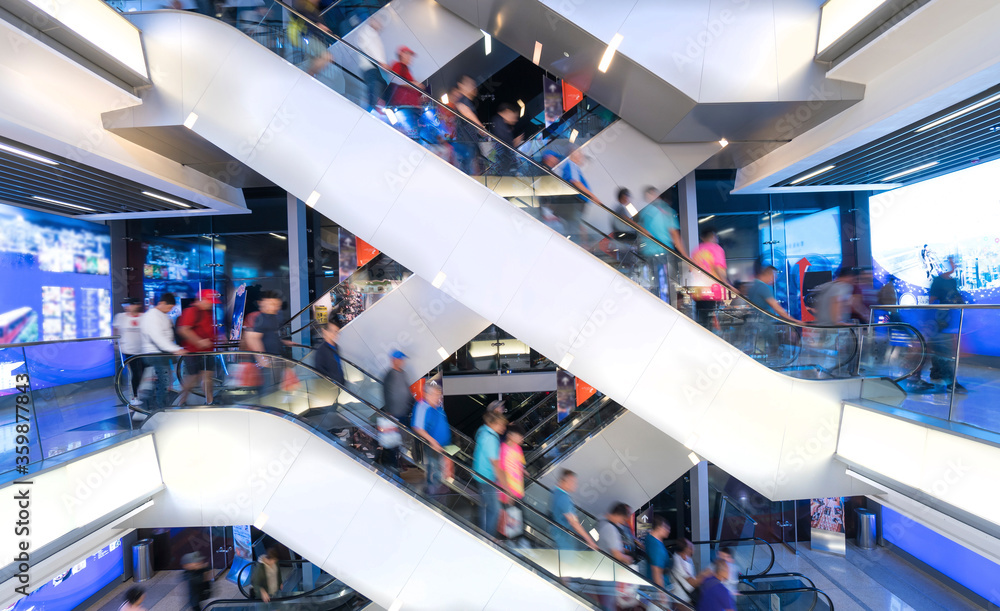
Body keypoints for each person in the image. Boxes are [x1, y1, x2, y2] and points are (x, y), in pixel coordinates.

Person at [140, 293, 186, 409]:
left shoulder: (162, 315)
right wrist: (175, 349)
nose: (170, 310)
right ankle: (158, 408)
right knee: (163, 383)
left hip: (162, 354)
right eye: (169, 307)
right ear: (162, 303)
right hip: (155, 354)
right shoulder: (152, 316)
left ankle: (160, 407)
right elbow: (157, 337)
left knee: (163, 382)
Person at [928, 256, 967, 393]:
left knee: (942, 348)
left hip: (949, 319)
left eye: (953, 263)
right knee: (943, 349)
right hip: (940, 319)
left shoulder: (953, 282)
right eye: (950, 263)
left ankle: (938, 373)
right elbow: (932, 300)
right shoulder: (938, 281)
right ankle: (951, 382)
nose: (953, 265)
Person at [176, 289, 218, 406]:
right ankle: (181, 401)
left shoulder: (208, 311)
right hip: (194, 352)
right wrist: (199, 341)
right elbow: (183, 329)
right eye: (209, 301)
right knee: (192, 378)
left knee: (207, 377)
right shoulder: (191, 311)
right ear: (201, 300)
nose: (211, 304)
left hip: (208, 352)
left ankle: (210, 401)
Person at [411, 381, 450, 496]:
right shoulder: (423, 406)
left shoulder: (437, 408)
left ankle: (436, 490)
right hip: (433, 446)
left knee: (439, 469)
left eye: (439, 394)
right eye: (435, 394)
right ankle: (432, 494)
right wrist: (433, 442)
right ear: (427, 394)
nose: (438, 397)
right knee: (433, 469)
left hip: (442, 446)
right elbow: (417, 427)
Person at [473, 410, 507, 538]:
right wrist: (506, 487)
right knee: (494, 509)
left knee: (486, 507)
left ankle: (484, 534)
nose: (503, 428)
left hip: (481, 475)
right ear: (493, 423)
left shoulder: (483, 430)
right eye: (501, 424)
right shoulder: (491, 439)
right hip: (486, 478)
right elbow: (496, 465)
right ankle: (488, 537)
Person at [550, 469, 597, 552]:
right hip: (563, 541)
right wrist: (589, 540)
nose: (575, 485)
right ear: (564, 481)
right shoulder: (563, 498)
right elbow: (574, 522)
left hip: (560, 538)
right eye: (573, 482)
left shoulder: (556, 492)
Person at [691, 227, 728, 328]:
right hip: (713, 291)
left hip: (698, 292)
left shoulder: (696, 251)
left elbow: (691, 269)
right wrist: (726, 284)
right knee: (714, 322)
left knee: (702, 322)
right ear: (713, 236)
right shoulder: (716, 248)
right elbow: (718, 267)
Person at [638, 186, 686, 258]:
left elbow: (643, 231)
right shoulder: (667, 211)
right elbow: (674, 234)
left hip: (647, 252)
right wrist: (685, 255)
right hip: (664, 251)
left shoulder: (644, 212)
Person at [114, 297, 145, 406]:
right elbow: (115, 331)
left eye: (129, 304)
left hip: (142, 350)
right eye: (125, 305)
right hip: (128, 350)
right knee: (135, 373)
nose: (127, 307)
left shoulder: (143, 317)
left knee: (142, 373)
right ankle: (134, 396)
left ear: (136, 305)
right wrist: (116, 344)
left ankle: (141, 393)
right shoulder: (120, 317)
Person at [452, 75, 485, 175]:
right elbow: (464, 109)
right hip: (466, 144)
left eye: (473, 85)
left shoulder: (465, 100)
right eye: (469, 84)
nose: (472, 87)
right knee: (470, 175)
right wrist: (480, 126)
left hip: (469, 144)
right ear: (460, 85)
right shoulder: (462, 100)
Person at [354, 16, 389, 110]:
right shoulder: (367, 32)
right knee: (374, 95)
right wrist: (382, 62)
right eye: (377, 21)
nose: (380, 24)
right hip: (370, 68)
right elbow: (370, 48)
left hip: (375, 69)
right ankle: (370, 111)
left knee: (378, 92)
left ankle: (373, 110)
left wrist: (382, 63)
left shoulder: (374, 35)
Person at [491, 102, 522, 174]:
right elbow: (503, 143)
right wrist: (514, 143)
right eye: (515, 116)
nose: (516, 120)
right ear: (508, 111)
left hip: (505, 163)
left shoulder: (503, 124)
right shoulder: (497, 121)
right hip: (504, 163)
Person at [498, 423, 525, 505]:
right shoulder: (503, 449)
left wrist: (524, 471)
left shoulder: (518, 448)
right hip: (506, 492)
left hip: (518, 490)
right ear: (510, 435)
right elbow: (501, 471)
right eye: (519, 436)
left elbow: (520, 464)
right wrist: (507, 491)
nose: (522, 439)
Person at [643, 515, 671, 591]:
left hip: (653, 584)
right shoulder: (656, 546)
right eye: (666, 528)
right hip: (659, 586)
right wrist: (661, 592)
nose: (668, 531)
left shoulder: (649, 539)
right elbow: (656, 571)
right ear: (659, 528)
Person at [314, 318, 345, 385]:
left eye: (336, 332)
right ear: (325, 331)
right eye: (332, 331)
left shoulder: (336, 347)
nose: (334, 334)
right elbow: (320, 373)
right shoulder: (321, 351)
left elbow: (339, 367)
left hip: (341, 385)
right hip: (331, 388)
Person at [670, 539, 698, 606]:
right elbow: (691, 581)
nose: (693, 547)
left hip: (688, 596)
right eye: (690, 546)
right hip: (681, 598)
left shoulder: (688, 558)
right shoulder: (678, 561)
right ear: (686, 549)